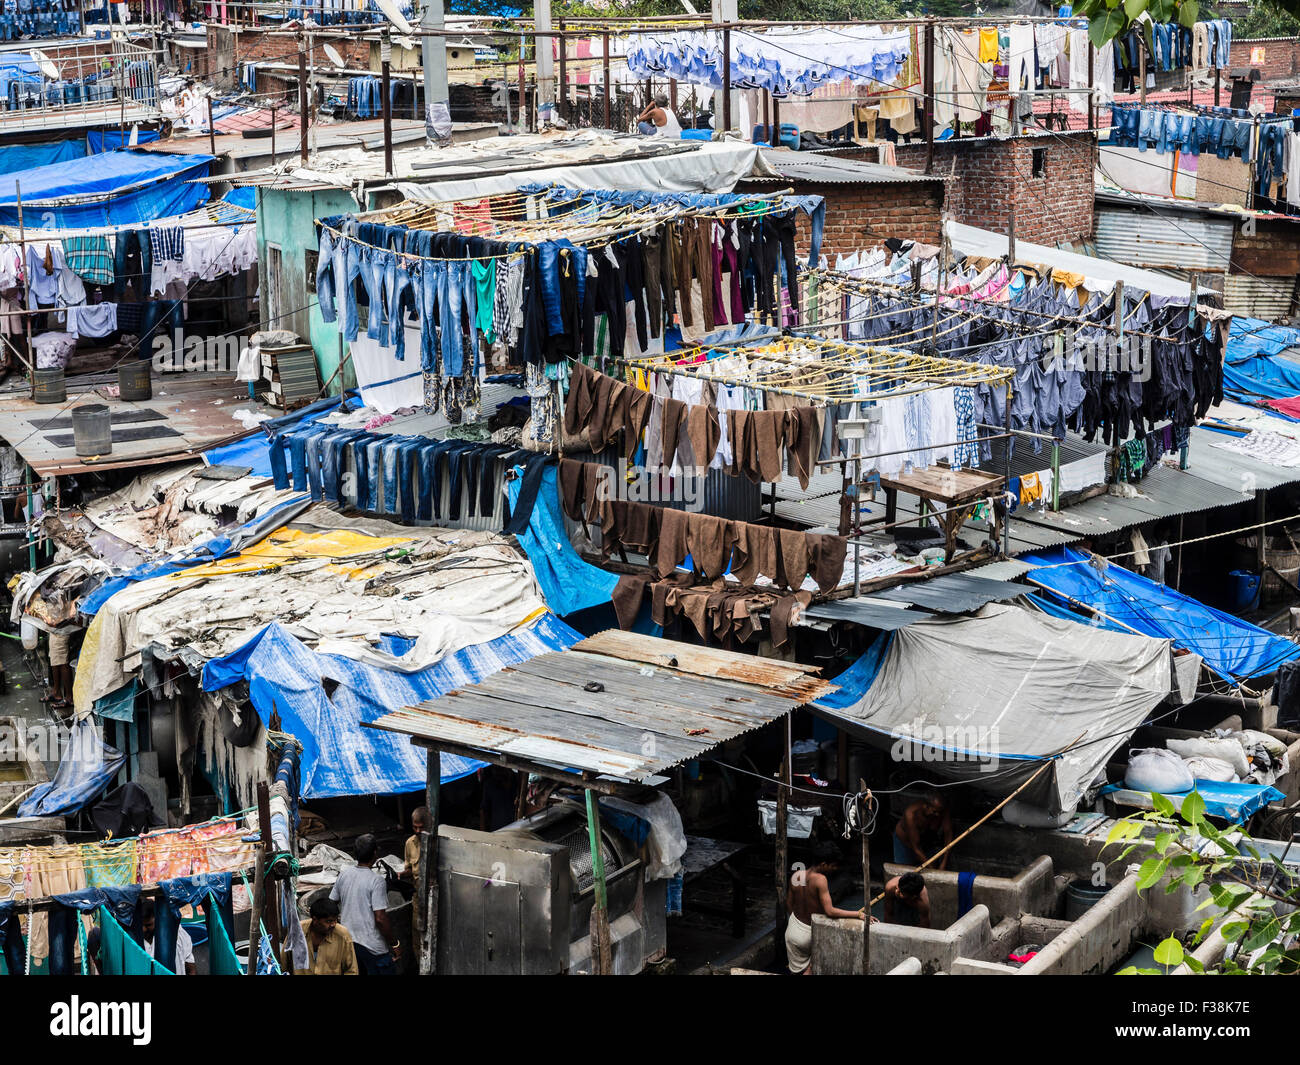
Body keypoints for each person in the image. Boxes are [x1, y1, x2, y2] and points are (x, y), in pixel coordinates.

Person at [784, 851, 867, 975]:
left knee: (795, 971)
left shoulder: (797, 875)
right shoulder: (820, 880)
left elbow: (789, 904)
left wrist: (796, 923)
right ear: (823, 864)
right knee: (810, 970)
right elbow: (830, 911)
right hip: (808, 935)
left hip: (792, 930)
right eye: (832, 866)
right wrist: (857, 914)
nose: (835, 869)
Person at [330, 834, 399, 975]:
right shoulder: (377, 881)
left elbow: (331, 904)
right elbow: (380, 918)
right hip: (373, 948)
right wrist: (394, 943)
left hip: (349, 943)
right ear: (375, 853)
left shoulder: (344, 874)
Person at [297, 897, 358, 975]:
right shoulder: (298, 931)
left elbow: (352, 970)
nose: (333, 924)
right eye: (329, 921)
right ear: (315, 920)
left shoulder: (342, 935)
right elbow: (283, 963)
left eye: (335, 920)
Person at [894, 791, 953, 870]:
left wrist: (943, 863)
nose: (937, 815)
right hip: (906, 842)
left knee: (932, 868)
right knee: (904, 872)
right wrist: (933, 870)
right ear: (925, 806)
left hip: (925, 841)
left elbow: (948, 836)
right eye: (934, 812)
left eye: (939, 812)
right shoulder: (911, 815)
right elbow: (916, 848)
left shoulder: (941, 809)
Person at [141, 899, 196, 975]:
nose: (144, 929)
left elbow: (190, 964)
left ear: (157, 919)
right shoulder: (134, 940)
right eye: (141, 925)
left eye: (148, 925)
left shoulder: (177, 932)